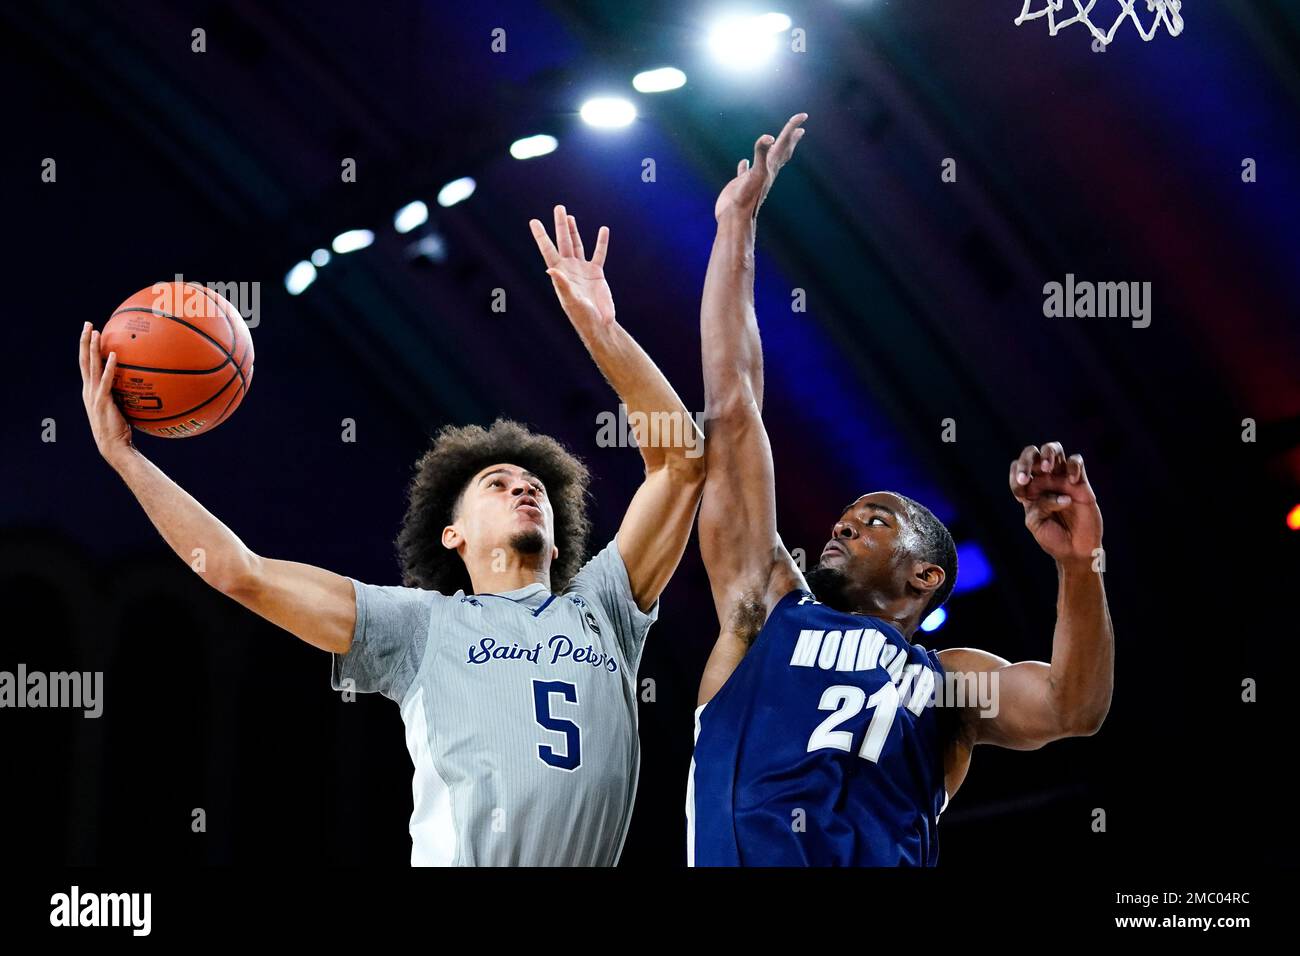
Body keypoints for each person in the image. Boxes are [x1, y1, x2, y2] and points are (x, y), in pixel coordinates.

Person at [78, 205, 704, 866]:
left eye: (534, 487)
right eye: (496, 482)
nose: (523, 487)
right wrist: (127, 459)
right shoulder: (418, 626)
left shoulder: (604, 606)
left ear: (556, 540)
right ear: (453, 535)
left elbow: (683, 462)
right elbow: (241, 571)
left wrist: (603, 332)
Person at [687, 114, 1114, 866]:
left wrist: (1080, 568)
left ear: (927, 575)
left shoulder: (948, 684)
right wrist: (736, 228)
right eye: (848, 520)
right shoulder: (763, 609)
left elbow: (1071, 709)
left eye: (874, 520)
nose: (842, 529)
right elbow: (734, 406)